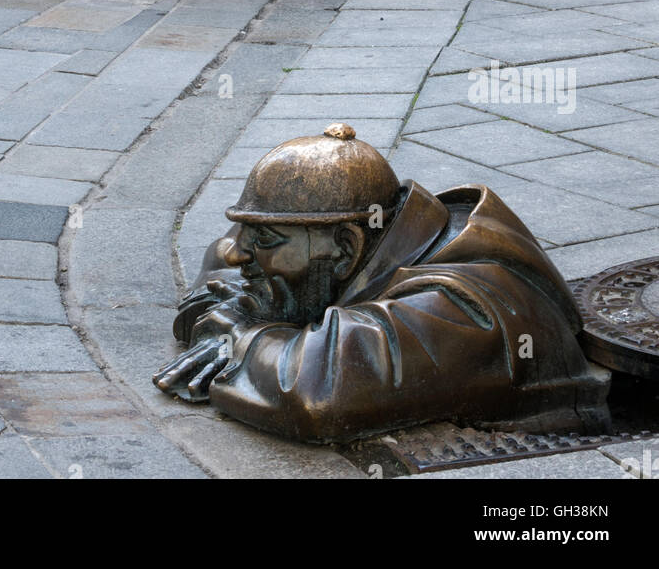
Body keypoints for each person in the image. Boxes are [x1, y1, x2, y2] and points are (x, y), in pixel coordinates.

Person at [154, 125, 611, 443]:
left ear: (347, 247)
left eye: (265, 239)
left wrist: (239, 334)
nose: (238, 252)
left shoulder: (458, 304)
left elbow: (317, 392)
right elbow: (220, 264)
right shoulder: (378, 241)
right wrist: (244, 327)